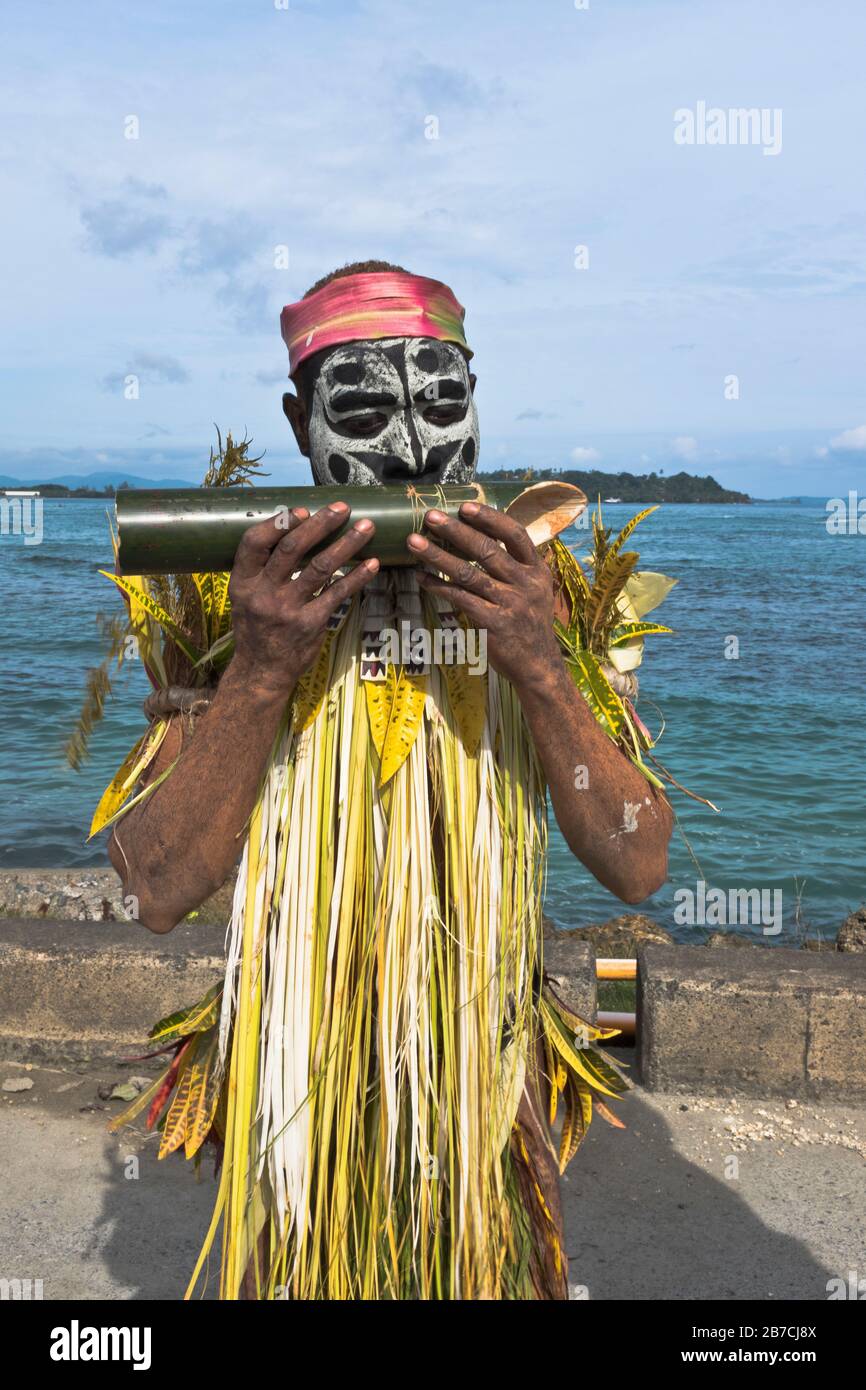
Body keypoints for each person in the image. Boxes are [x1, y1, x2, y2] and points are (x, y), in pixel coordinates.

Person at [108, 261, 673, 1300]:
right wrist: (262, 667)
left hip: (483, 1093)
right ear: (298, 423)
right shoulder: (226, 604)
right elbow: (156, 887)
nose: (413, 449)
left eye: (443, 405)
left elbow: (637, 863)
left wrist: (541, 668)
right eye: (362, 411)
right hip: (299, 1102)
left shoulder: (551, 596)